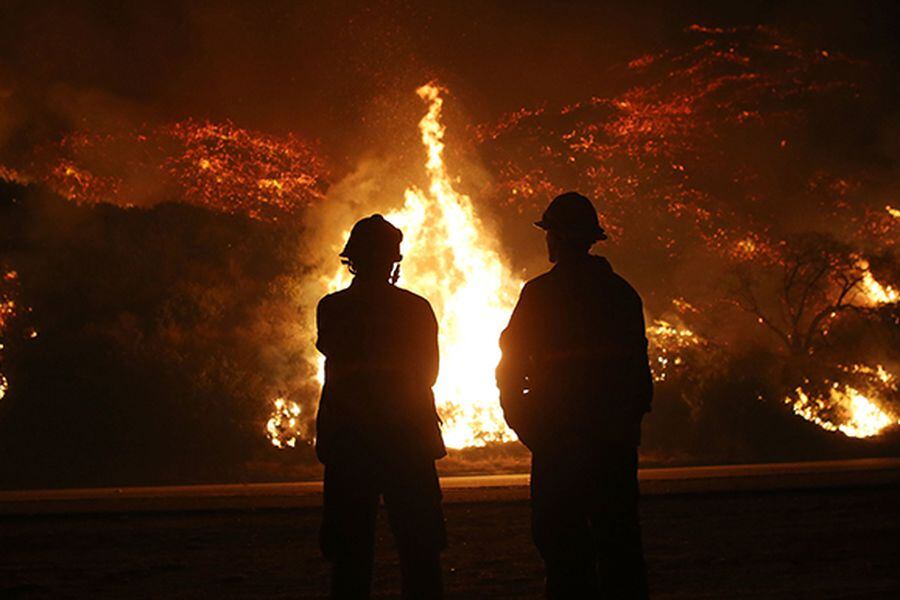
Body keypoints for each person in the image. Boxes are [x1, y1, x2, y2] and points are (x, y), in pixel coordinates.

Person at [496, 192, 653, 599]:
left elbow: (510, 369)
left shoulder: (540, 295)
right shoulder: (622, 294)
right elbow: (639, 378)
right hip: (611, 447)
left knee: (563, 552)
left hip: (559, 445)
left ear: (560, 239)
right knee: (619, 549)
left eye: (550, 233)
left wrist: (530, 427)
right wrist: (624, 429)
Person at [315, 214, 446, 599]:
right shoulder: (416, 309)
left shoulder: (333, 308)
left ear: (352, 259)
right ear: (393, 260)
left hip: (350, 443)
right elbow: (430, 372)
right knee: (420, 552)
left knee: (350, 556)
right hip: (408, 441)